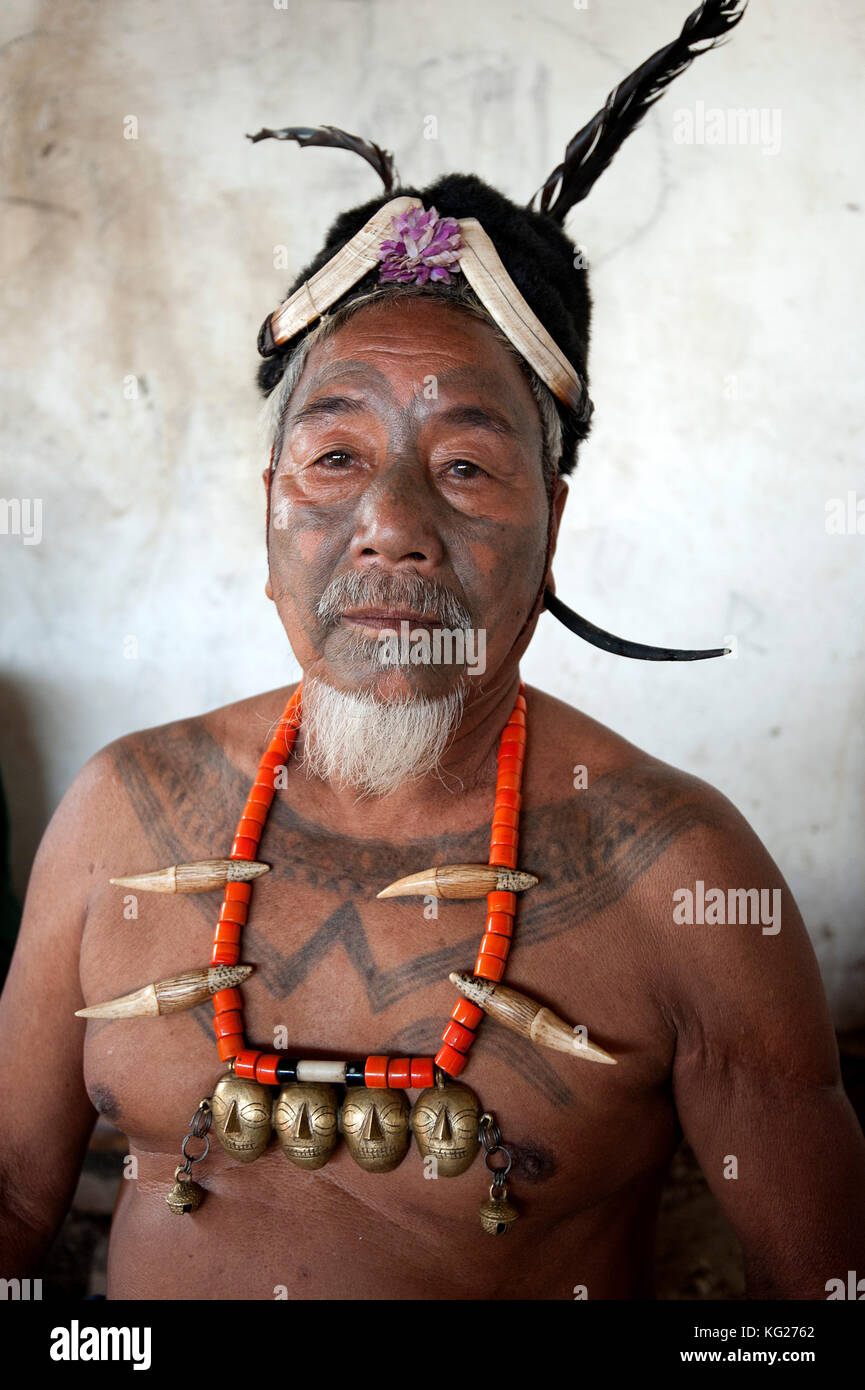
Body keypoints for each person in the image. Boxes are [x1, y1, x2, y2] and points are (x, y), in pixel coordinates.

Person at [2, 0, 863, 1300]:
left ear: (553, 520)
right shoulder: (118, 816)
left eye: (465, 464)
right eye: (335, 456)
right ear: (269, 501)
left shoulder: (682, 881)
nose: (391, 526)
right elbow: (18, 1192)